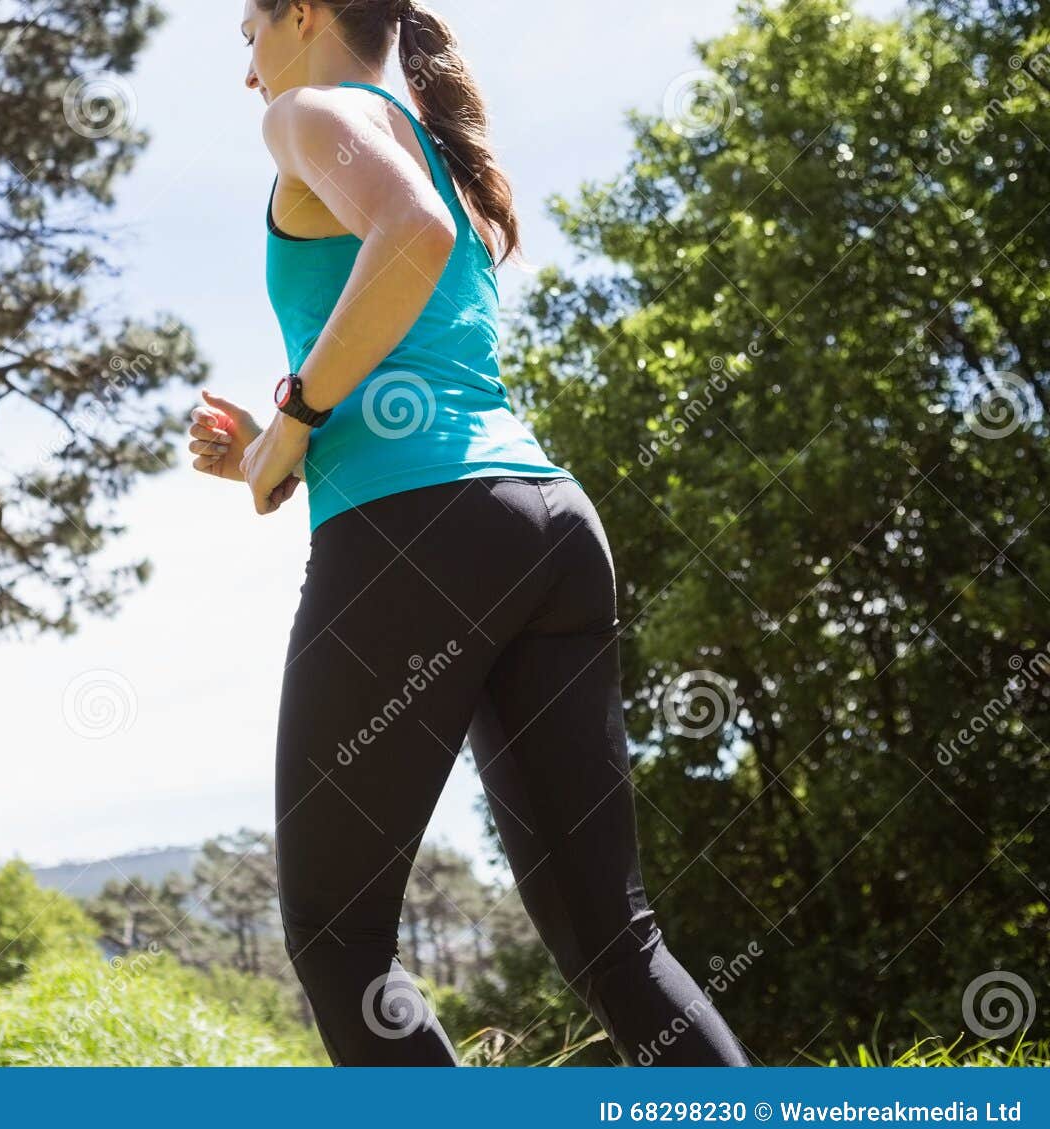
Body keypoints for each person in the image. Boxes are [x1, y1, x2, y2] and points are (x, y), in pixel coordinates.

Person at [189, 0, 752, 1067]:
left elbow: (413, 235)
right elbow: (415, 357)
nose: (248, 73)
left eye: (248, 34)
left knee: (338, 939)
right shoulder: (435, 148)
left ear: (302, 14)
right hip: (543, 524)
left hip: (418, 532)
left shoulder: (309, 115)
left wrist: (292, 423)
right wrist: (272, 447)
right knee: (617, 944)